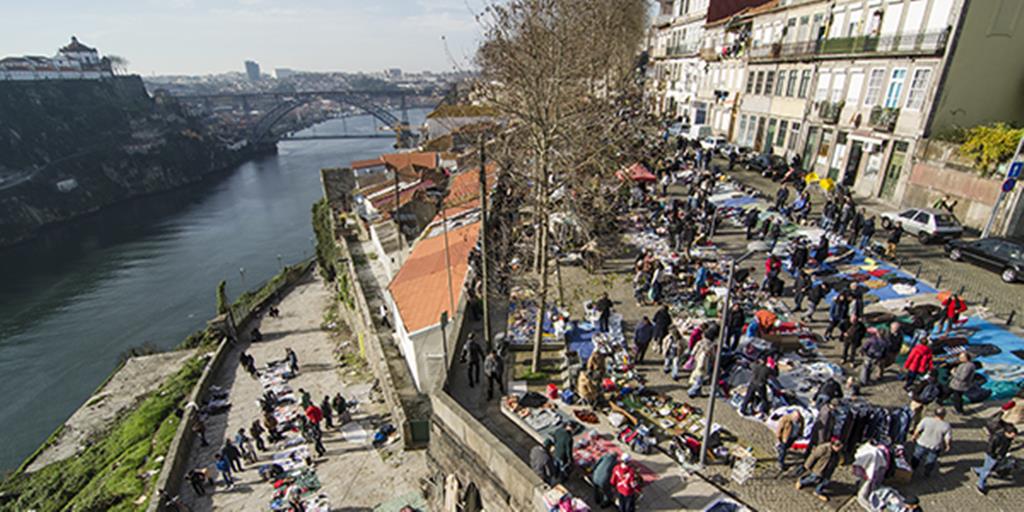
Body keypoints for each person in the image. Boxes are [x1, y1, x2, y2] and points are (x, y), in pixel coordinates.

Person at [795, 437, 842, 502]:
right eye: (837, 447)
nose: (838, 449)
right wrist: (806, 466)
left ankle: (818, 492)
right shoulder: (823, 448)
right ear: (833, 445)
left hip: (828, 470)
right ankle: (801, 481)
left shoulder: (837, 452)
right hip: (819, 468)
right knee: (813, 478)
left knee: (825, 482)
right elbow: (813, 456)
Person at [974, 423, 1017, 494]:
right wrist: (993, 455)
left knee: (990, 468)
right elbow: (990, 447)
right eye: (1013, 435)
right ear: (1007, 433)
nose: (1014, 437)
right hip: (992, 457)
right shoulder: (997, 437)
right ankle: (980, 485)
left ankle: (977, 470)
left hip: (999, 456)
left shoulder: (1008, 438)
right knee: (987, 471)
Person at [911, 408, 952, 478]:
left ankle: (912, 469)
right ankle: (926, 473)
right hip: (935, 446)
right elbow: (947, 438)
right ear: (944, 415)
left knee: (916, 456)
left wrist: (914, 436)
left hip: (922, 442)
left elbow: (918, 429)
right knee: (931, 461)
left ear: (935, 413)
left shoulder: (926, 420)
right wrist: (947, 445)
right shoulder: (946, 425)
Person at [688, 333, 713, 398]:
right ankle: (692, 391)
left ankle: (697, 392)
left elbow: (693, 351)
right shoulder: (711, 344)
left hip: (698, 361)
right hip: (705, 363)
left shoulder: (700, 342)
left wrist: (693, 356)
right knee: (700, 378)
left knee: (698, 376)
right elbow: (713, 355)